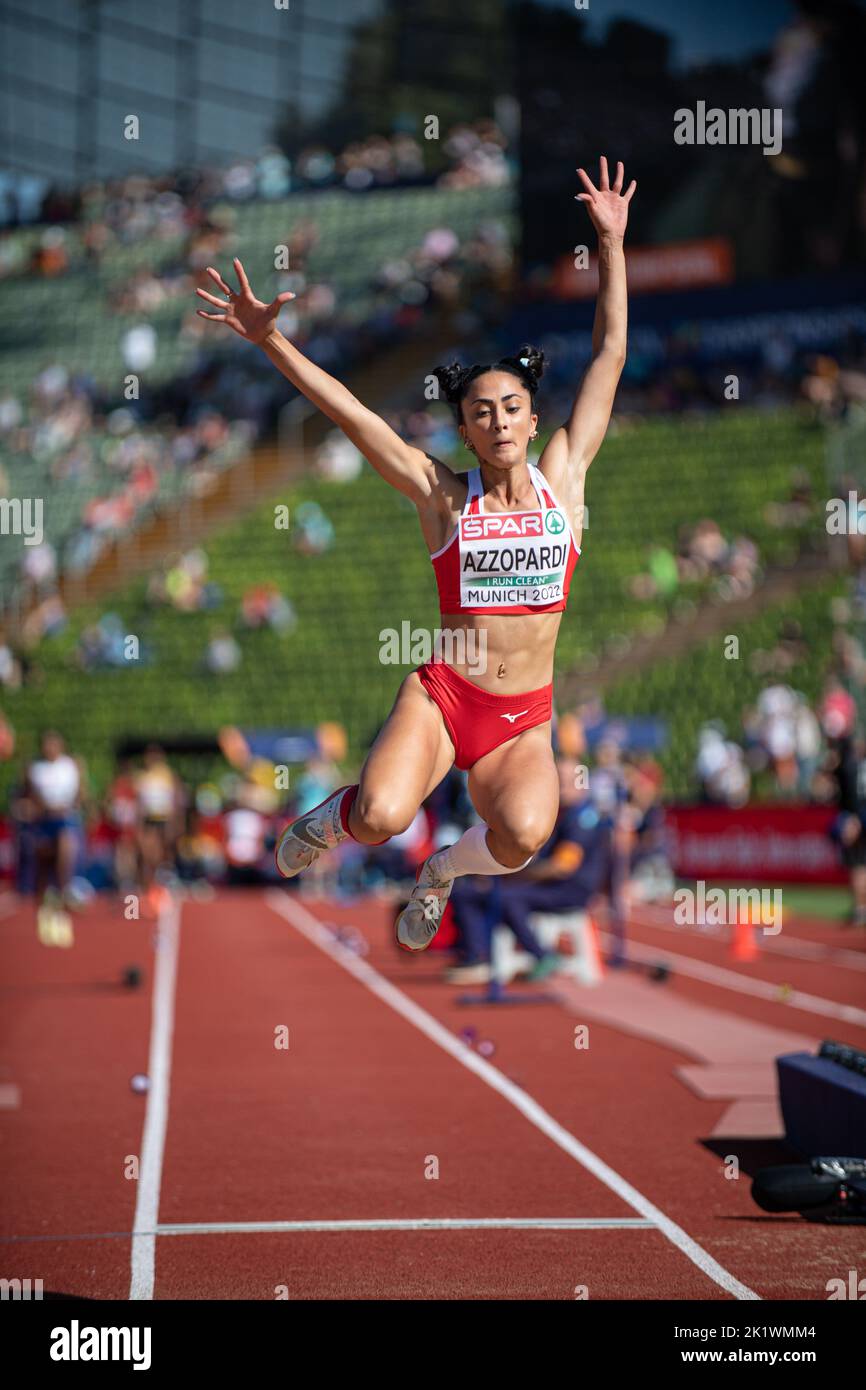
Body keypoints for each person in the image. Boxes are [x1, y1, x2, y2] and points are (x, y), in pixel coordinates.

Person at [195, 156, 635, 950]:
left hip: (522, 722)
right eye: (481, 412)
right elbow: (357, 417)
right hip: (445, 699)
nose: (499, 422)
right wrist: (272, 344)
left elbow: (608, 357)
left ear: (534, 421)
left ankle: (442, 871)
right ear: (463, 429)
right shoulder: (443, 496)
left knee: (525, 835)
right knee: (379, 816)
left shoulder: (564, 482)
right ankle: (331, 817)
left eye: (513, 408)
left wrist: (611, 246)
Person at [446, 757, 611, 983]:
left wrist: (513, 875)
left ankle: (538, 955)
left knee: (506, 897)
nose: (560, 787)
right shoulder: (560, 812)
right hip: (547, 883)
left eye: (566, 781)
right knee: (467, 893)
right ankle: (476, 955)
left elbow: (561, 867)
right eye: (557, 781)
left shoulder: (584, 817)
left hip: (569, 889)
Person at [26, 731, 86, 947]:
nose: (50, 748)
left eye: (54, 744)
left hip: (65, 819)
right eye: (46, 744)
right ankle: (44, 911)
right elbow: (29, 795)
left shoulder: (71, 765)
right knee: (44, 866)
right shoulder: (35, 769)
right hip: (43, 821)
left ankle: (64, 892)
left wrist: (73, 806)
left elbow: (80, 792)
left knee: (65, 847)